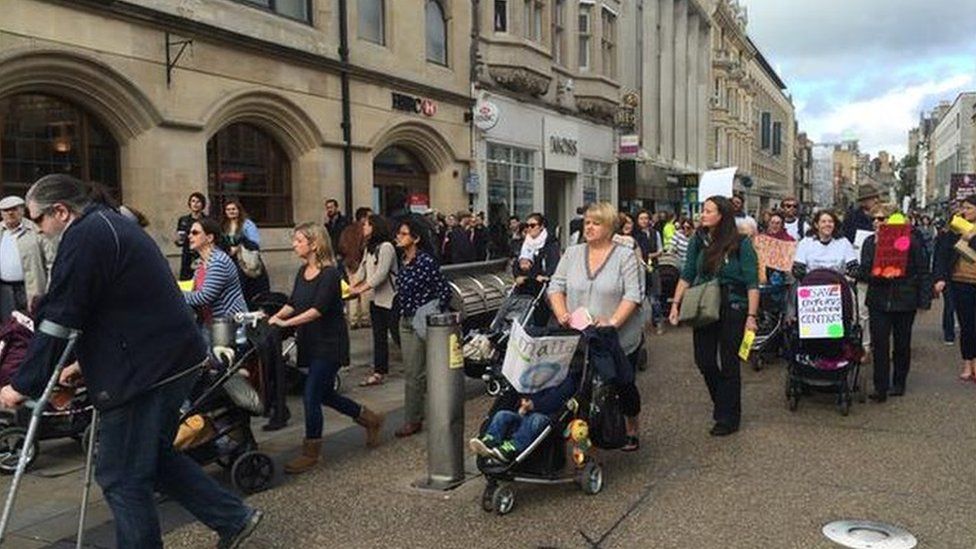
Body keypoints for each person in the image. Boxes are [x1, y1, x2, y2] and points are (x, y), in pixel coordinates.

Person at [0, 174, 261, 548]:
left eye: (38, 220)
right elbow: (109, 310)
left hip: (147, 370)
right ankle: (233, 518)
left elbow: (60, 316)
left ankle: (229, 520)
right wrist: (82, 366)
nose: (36, 229)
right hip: (168, 359)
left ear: (61, 211)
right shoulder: (105, 224)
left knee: (120, 474)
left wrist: (23, 383)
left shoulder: (86, 235)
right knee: (151, 458)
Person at [268, 222, 384, 474]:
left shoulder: (330, 274)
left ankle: (311, 453)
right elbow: (294, 303)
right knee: (324, 394)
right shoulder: (302, 272)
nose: (294, 244)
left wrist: (285, 322)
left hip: (330, 343)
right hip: (310, 341)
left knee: (311, 396)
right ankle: (370, 419)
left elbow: (316, 310)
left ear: (314, 244)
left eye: (299, 240)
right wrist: (272, 318)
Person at [549, 203, 643, 451]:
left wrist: (612, 322)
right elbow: (556, 286)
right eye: (587, 222)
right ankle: (586, 434)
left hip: (618, 337)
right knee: (581, 386)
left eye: (596, 223)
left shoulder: (624, 255)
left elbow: (633, 294)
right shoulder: (572, 253)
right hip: (581, 336)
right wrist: (562, 314)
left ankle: (631, 424)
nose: (589, 227)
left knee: (624, 385)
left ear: (610, 227)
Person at [669, 196, 759, 437]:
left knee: (730, 362)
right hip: (704, 303)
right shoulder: (698, 240)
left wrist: (751, 315)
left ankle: (728, 418)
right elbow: (687, 273)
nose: (702, 215)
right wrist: (675, 304)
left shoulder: (741, 242)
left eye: (708, 211)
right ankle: (724, 404)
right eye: (702, 210)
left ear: (722, 215)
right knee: (704, 360)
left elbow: (752, 282)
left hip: (733, 305)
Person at [859, 205, 931, 401]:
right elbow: (863, 271)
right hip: (878, 300)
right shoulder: (869, 242)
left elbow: (923, 271)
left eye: (882, 219)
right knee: (879, 344)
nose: (876, 222)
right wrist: (878, 272)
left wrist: (924, 300)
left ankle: (899, 382)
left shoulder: (911, 241)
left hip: (904, 300)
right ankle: (880, 387)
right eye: (874, 219)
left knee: (902, 344)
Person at [393, 217, 452, 437]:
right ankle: (423, 413)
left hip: (422, 320)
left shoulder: (425, 261)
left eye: (403, 233)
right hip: (404, 320)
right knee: (413, 371)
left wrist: (430, 312)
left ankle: (414, 419)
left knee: (416, 373)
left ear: (415, 238)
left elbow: (443, 291)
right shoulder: (403, 261)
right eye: (398, 233)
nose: (398, 237)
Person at [468, 374, 576, 462]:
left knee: (536, 419)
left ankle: (512, 447)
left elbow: (557, 399)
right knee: (502, 415)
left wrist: (534, 405)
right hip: (524, 413)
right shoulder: (537, 375)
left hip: (547, 417)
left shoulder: (566, 380)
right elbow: (523, 391)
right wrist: (523, 402)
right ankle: (489, 442)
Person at [350, 214, 400, 387]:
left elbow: (381, 274)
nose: (363, 228)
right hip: (376, 300)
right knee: (379, 338)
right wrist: (351, 286)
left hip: (391, 299)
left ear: (375, 227)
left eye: (367, 225)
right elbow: (363, 270)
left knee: (398, 335)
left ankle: (417, 365)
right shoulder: (369, 247)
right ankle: (379, 372)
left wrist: (360, 289)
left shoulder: (387, 247)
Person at [934, 195, 976, 380]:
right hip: (960, 281)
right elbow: (942, 252)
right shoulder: (955, 228)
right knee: (967, 325)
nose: (965, 211)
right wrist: (940, 277)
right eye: (963, 208)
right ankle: (967, 363)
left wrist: (972, 239)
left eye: (968, 208)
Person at [182, 217, 248, 331]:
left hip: (229, 327)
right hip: (212, 325)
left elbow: (204, 296)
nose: (190, 236)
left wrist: (175, 293)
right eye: (189, 233)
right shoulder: (202, 262)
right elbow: (193, 289)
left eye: (195, 233)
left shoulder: (218, 261)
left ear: (209, 238)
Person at [0, 196, 54, 319]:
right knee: (7, 326)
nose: (10, 213)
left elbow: (51, 263)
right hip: (4, 290)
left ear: (23, 210)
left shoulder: (37, 231)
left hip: (30, 289)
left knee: (30, 324)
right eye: (5, 210)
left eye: (14, 209)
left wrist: (49, 290)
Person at [222, 199, 270, 306]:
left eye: (233, 209)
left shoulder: (247, 224)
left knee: (250, 292)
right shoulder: (224, 226)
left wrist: (240, 244)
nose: (231, 211)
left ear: (239, 210)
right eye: (228, 209)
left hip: (246, 262)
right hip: (231, 262)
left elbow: (255, 245)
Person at [792, 210, 859, 280]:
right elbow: (797, 270)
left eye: (830, 222)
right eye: (823, 222)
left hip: (837, 284)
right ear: (816, 225)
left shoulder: (844, 242)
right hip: (812, 283)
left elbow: (854, 268)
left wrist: (847, 277)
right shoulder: (805, 243)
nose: (827, 224)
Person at [514, 212, 560, 310]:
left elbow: (554, 263)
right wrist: (517, 275)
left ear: (541, 226)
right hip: (526, 285)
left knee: (540, 314)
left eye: (533, 225)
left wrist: (546, 275)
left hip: (542, 287)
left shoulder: (550, 243)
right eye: (527, 226)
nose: (529, 228)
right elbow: (516, 262)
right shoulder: (525, 243)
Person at [338, 207, 372, 329]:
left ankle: (352, 319)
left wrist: (347, 257)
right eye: (368, 216)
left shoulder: (347, 230)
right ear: (363, 218)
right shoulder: (364, 230)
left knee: (351, 289)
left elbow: (341, 245)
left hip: (349, 262)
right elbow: (364, 246)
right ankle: (365, 318)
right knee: (364, 290)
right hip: (360, 261)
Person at [934, 218, 958, 344]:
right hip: (948, 277)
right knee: (950, 305)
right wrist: (939, 278)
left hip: (964, 278)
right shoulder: (945, 237)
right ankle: (949, 333)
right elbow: (939, 258)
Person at [175, 192, 208, 280]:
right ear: (189, 203)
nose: (195, 204)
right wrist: (177, 241)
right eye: (193, 201)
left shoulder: (207, 221)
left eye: (198, 202)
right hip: (187, 255)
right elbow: (179, 240)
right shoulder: (183, 220)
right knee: (185, 281)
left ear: (202, 204)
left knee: (201, 281)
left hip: (201, 255)